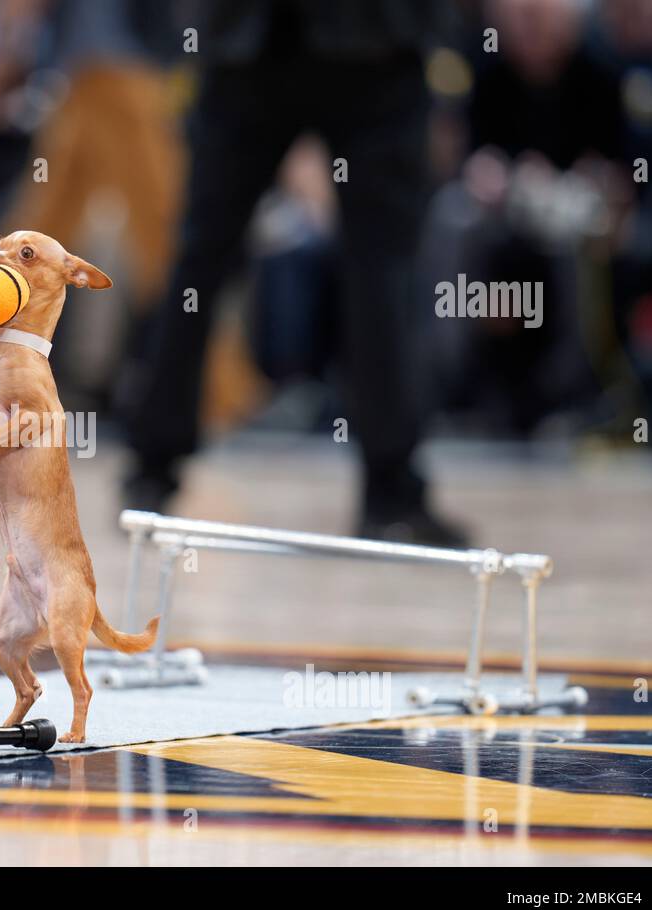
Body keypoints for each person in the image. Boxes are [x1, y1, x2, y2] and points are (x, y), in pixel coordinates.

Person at [119, 0, 467, 546]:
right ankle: (391, 492)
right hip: (347, 42)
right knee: (376, 270)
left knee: (204, 261)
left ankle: (150, 474)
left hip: (270, 40)